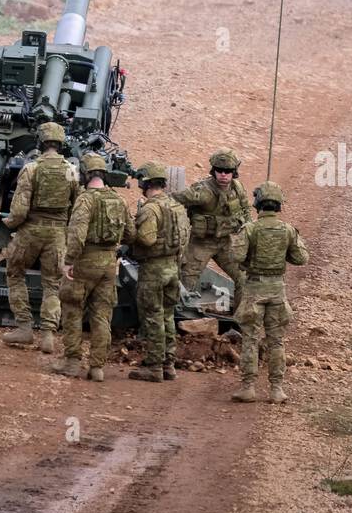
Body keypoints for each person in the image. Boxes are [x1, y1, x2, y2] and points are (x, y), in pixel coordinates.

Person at [54, 153, 135, 381]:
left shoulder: (85, 199)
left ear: (85, 174)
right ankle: (97, 367)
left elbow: (78, 234)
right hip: (109, 265)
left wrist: (69, 261)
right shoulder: (118, 200)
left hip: (84, 262)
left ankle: (72, 361)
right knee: (102, 315)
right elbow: (131, 234)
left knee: (72, 309)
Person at [2, 122, 79, 352]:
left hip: (31, 231)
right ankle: (48, 335)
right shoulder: (71, 170)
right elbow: (76, 205)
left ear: (41, 142)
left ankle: (24, 327)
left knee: (15, 273)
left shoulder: (32, 169)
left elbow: (19, 210)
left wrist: (9, 223)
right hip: (57, 234)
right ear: (60, 143)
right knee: (52, 284)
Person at [232, 182, 308, 404]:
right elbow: (301, 258)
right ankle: (276, 389)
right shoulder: (288, 230)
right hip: (277, 290)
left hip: (254, 288)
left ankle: (248, 387)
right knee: (276, 341)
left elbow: (237, 256)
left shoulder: (249, 229)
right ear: (278, 205)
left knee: (250, 339)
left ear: (257, 203)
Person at [128, 163, 190, 383]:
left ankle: (154, 366)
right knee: (167, 315)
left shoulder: (150, 209)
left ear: (145, 183)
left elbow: (147, 238)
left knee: (152, 317)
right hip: (172, 267)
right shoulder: (177, 207)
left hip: (153, 269)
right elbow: (185, 237)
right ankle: (168, 364)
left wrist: (130, 234)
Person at [173, 147, 249, 302]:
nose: (223, 174)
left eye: (227, 171)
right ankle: (181, 320)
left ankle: (240, 318)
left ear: (234, 172)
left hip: (225, 244)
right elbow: (175, 198)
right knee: (186, 283)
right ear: (213, 171)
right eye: (219, 170)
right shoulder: (203, 192)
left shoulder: (237, 188)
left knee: (245, 278)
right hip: (201, 245)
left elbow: (246, 210)